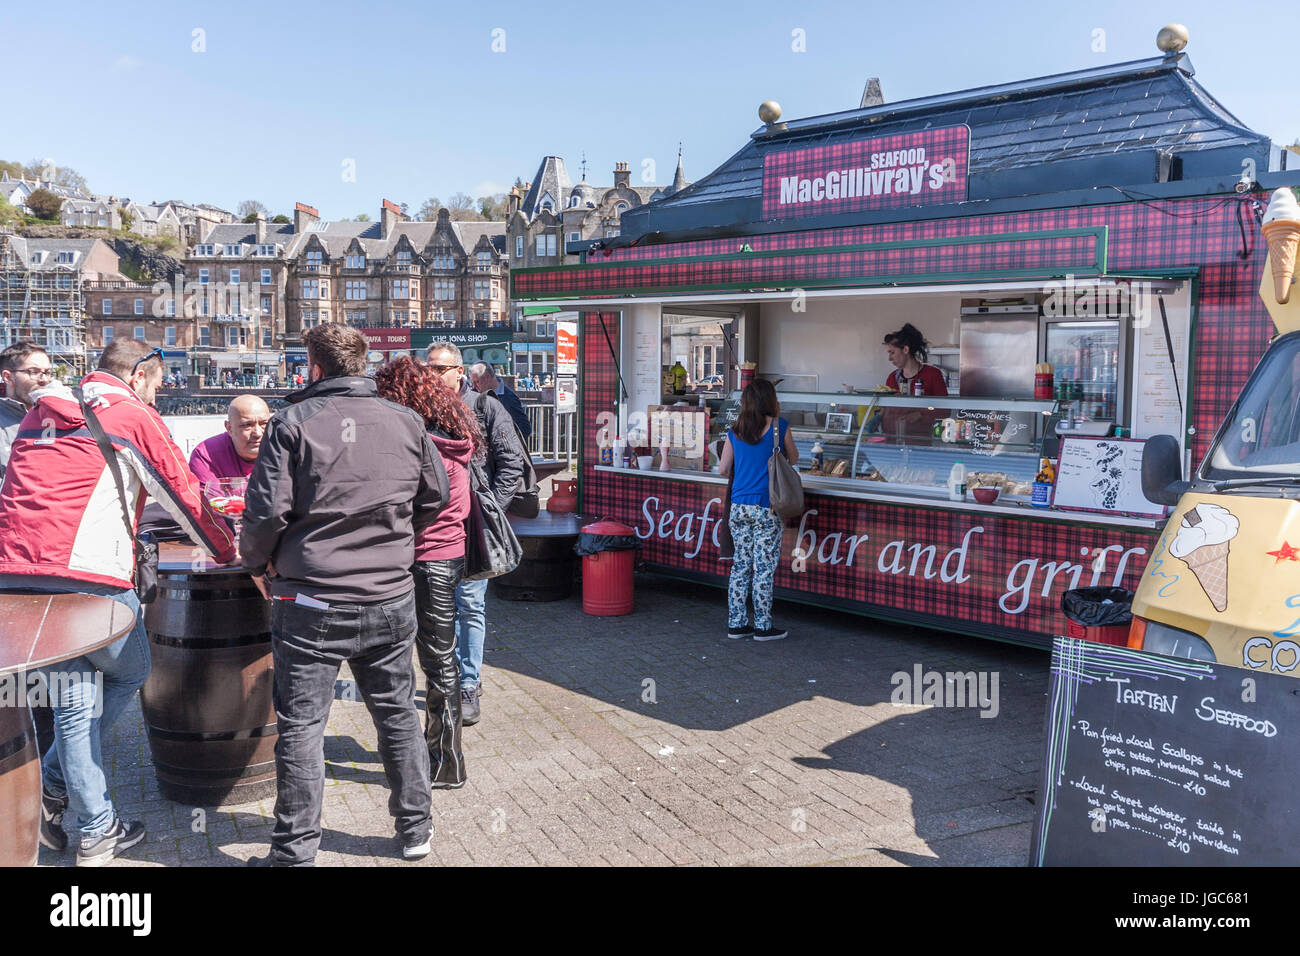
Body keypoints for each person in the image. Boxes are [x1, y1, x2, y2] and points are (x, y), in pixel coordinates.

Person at [0, 340, 237, 865]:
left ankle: (92, 822)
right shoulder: (130, 413)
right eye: (156, 384)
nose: (158, 395)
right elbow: (184, 495)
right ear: (139, 375)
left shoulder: (42, 411)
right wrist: (226, 547)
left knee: (76, 699)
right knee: (129, 672)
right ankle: (68, 793)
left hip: (18, 578)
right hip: (89, 578)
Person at [241, 324, 448, 866]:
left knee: (304, 726)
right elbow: (435, 497)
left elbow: (265, 514)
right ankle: (415, 830)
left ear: (312, 366)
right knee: (397, 714)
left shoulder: (291, 423)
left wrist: (255, 563)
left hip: (310, 598)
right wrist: (392, 538)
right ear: (361, 363)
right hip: (388, 593)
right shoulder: (406, 421)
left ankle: (294, 851)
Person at [376, 357, 477, 788]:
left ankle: (445, 761)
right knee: (440, 658)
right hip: (446, 555)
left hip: (426, 559)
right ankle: (438, 751)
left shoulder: (423, 448)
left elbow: (415, 507)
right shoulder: (452, 438)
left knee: (437, 661)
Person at [425, 342, 526, 726]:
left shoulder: (485, 407)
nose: (434, 376)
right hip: (433, 529)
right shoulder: (420, 410)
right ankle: (445, 678)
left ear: (459, 370)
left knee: (470, 606)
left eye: (441, 369)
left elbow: (511, 461)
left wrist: (491, 509)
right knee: (435, 610)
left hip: (473, 528)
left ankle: (468, 682)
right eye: (429, 368)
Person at [0, 342, 58, 765]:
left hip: (43, 555)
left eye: (48, 371)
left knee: (42, 657)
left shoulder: (53, 416)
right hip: (8, 555)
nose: (44, 378)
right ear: (7, 377)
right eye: (34, 371)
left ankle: (44, 745)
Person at [718, 378, 798, 642]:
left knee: (741, 565)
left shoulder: (734, 430)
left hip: (739, 508)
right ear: (770, 399)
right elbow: (794, 458)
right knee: (763, 569)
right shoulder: (779, 426)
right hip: (767, 507)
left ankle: (736, 624)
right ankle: (763, 626)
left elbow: (723, 469)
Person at [880, 323, 947, 439]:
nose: (889, 358)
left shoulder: (932, 374)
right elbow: (886, 408)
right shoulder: (892, 377)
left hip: (920, 440)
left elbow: (945, 409)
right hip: (891, 439)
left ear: (905, 349)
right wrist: (877, 417)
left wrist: (920, 415)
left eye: (892, 352)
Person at [189, 394, 271, 488]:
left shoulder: (284, 450)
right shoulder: (206, 455)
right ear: (229, 428)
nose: (258, 433)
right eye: (247, 425)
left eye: (264, 424)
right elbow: (209, 500)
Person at [468, 361, 532, 439]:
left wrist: (508, 444)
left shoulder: (509, 398)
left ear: (488, 377)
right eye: (472, 382)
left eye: (477, 382)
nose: (474, 386)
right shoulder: (474, 394)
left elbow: (524, 428)